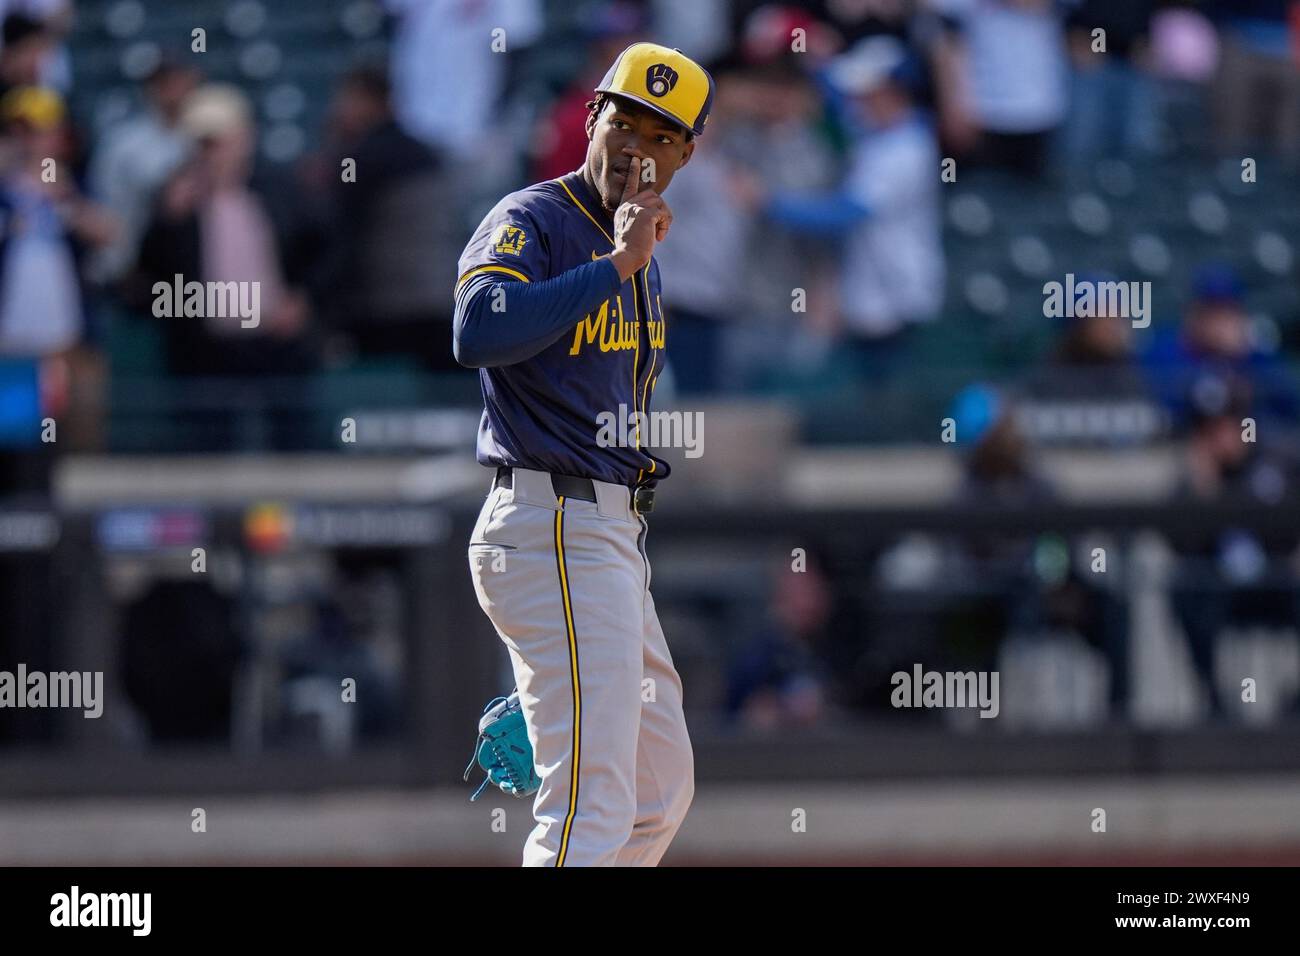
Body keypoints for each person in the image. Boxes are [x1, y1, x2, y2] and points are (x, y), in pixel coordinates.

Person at [454, 42, 711, 867]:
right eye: (624, 121)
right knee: (587, 808)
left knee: (656, 791)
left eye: (662, 136)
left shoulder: (635, 250)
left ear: (685, 155)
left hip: (604, 538)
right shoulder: (536, 218)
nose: (637, 147)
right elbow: (479, 331)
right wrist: (615, 265)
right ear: (591, 117)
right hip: (549, 520)